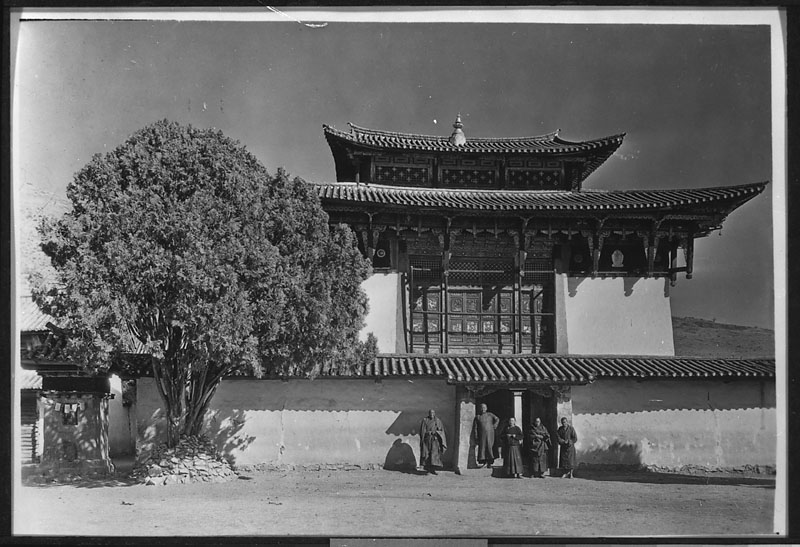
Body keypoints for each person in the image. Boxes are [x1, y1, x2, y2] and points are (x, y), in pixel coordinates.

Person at [471, 403, 500, 469]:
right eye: (482, 407)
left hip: (490, 435)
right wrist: (476, 436)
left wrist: (494, 425)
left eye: (484, 407)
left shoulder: (490, 414)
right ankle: (484, 462)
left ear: (486, 408)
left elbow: (497, 419)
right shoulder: (478, 417)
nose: (483, 409)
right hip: (482, 436)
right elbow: (475, 427)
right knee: (482, 449)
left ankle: (490, 463)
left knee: (490, 448)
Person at [419, 409, 447, 474]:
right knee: (427, 454)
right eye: (430, 413)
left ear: (434, 413)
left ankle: (433, 469)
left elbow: (441, 430)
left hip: (435, 440)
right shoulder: (425, 420)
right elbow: (422, 431)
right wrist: (427, 434)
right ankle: (428, 469)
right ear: (428, 413)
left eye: (433, 413)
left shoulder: (437, 421)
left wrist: (435, 432)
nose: (431, 414)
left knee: (434, 454)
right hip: (427, 440)